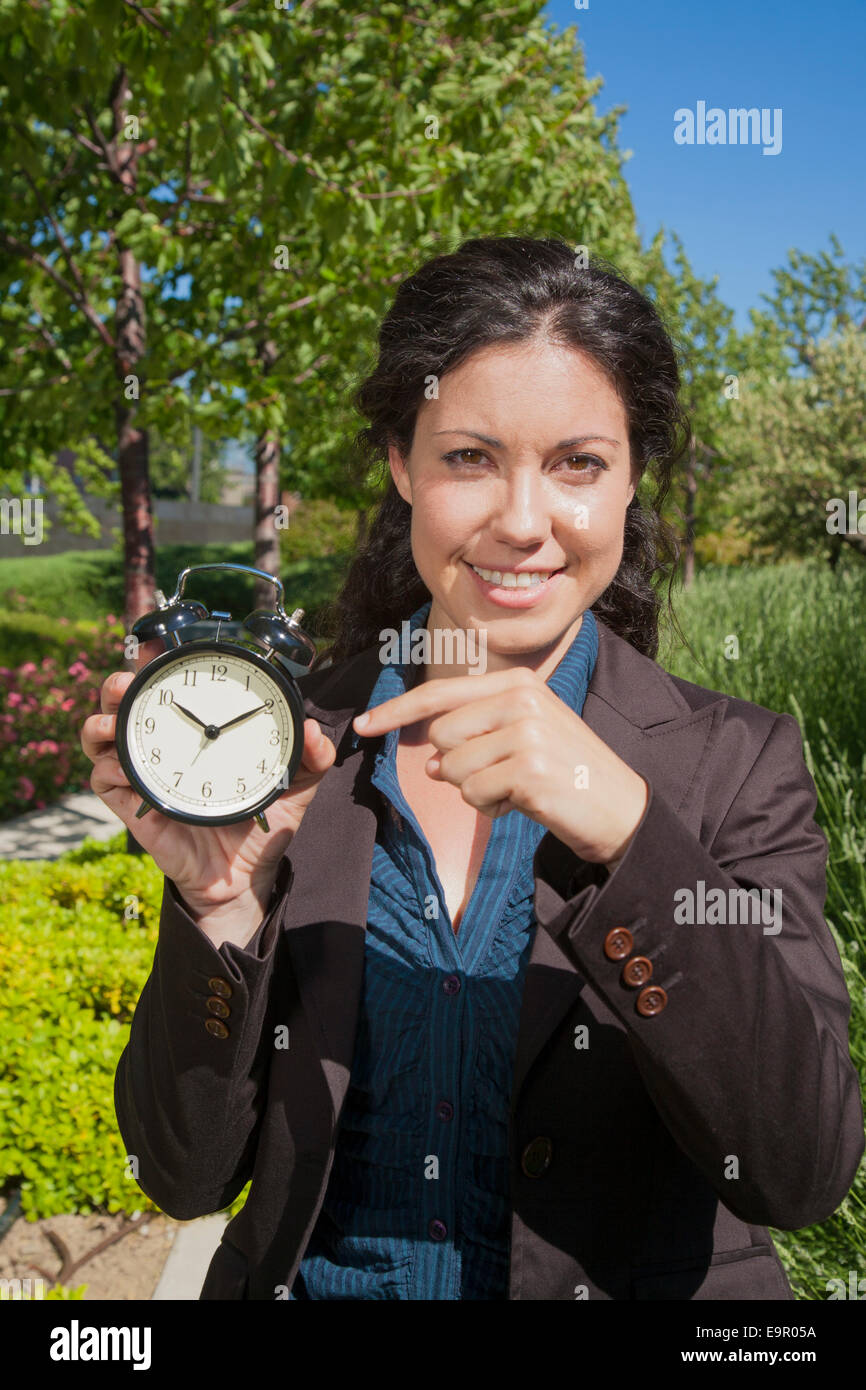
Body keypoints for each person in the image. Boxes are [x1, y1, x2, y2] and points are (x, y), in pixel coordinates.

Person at [81, 235, 863, 1300]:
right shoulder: (290, 743)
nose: (522, 521)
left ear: (631, 475)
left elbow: (800, 1169)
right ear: (401, 462)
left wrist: (626, 834)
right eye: (468, 457)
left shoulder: (733, 765)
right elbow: (180, 1178)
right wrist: (221, 907)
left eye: (577, 463)